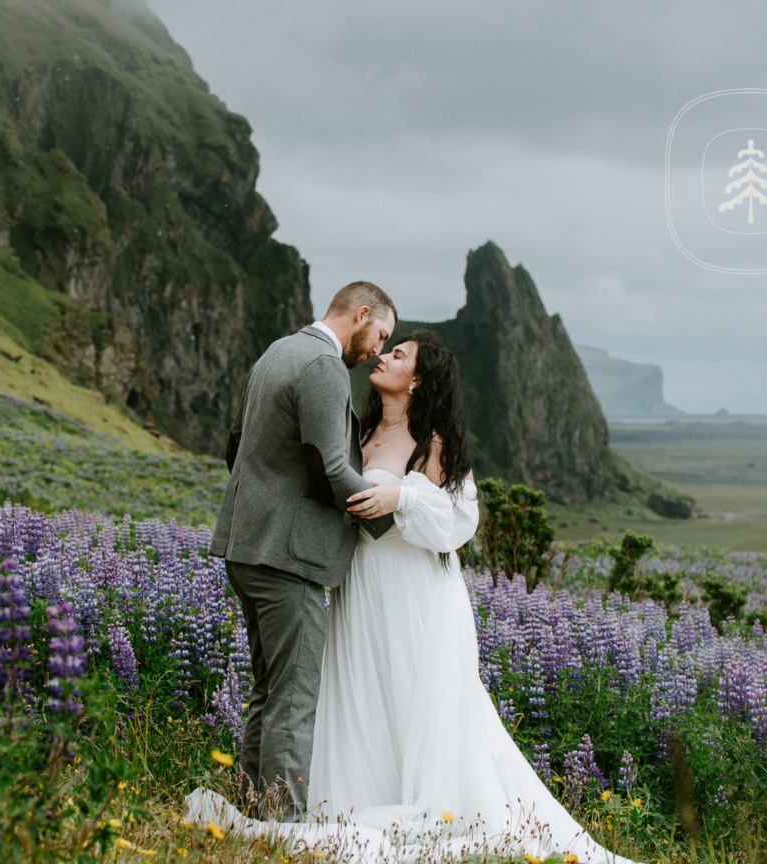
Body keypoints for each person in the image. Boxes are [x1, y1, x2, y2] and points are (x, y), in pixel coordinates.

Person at [192, 331, 638, 864]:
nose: (383, 357)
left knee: (415, 692)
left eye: (398, 355)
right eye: (387, 348)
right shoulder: (358, 430)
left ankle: (432, 806)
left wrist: (400, 494)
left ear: (419, 379)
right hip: (358, 580)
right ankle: (349, 796)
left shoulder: (434, 440)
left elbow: (459, 520)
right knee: (361, 688)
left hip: (414, 589)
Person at [208, 280, 398, 821]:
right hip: (286, 558)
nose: (378, 350)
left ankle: (250, 818)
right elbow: (332, 466)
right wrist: (392, 525)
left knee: (269, 691)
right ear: (361, 314)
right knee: (293, 698)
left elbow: (235, 447)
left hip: (249, 546)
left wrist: (267, 505)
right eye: (380, 334)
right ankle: (284, 829)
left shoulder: (277, 352)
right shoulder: (323, 366)